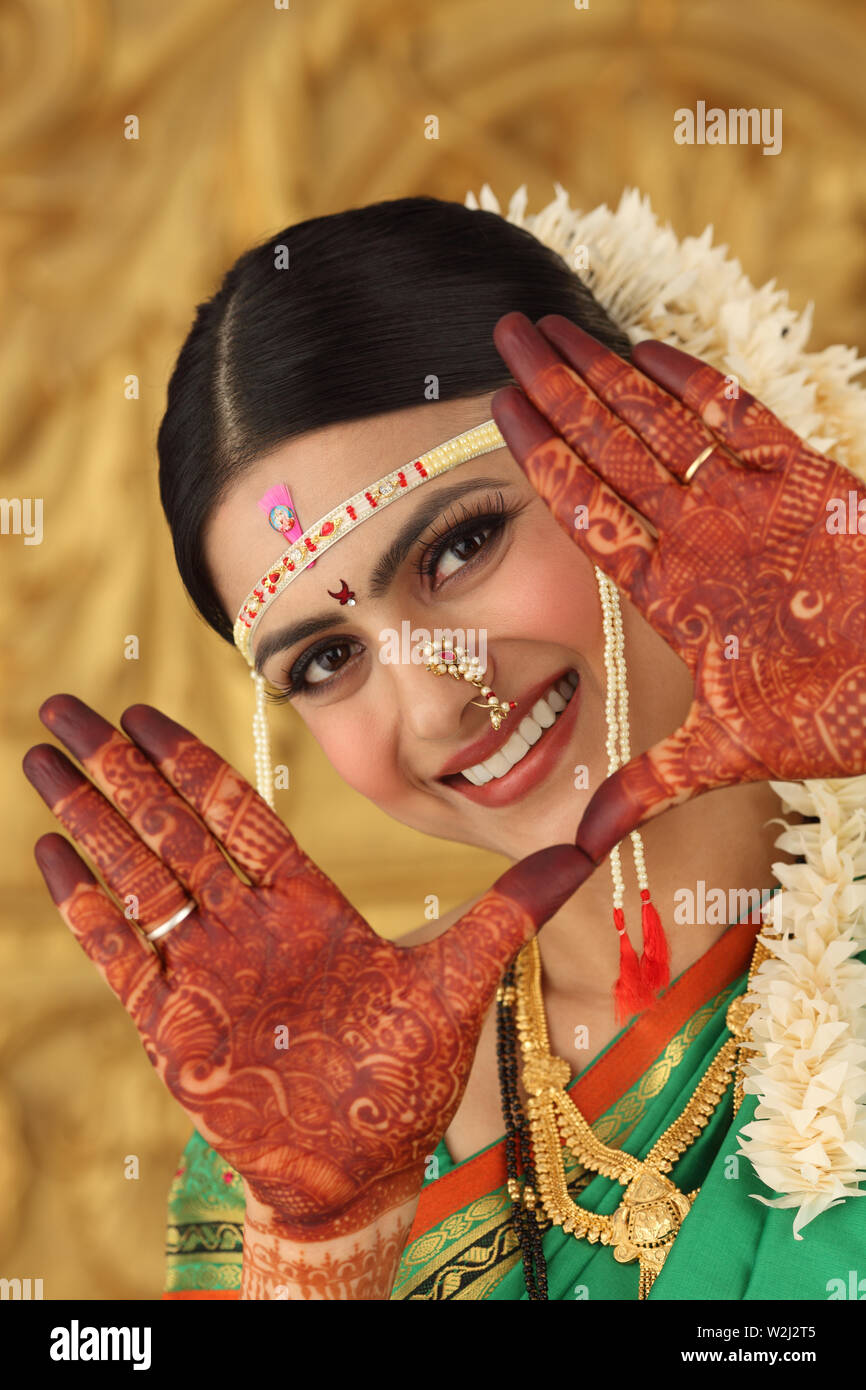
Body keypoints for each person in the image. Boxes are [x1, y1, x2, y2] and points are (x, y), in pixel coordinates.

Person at [23, 188, 866, 1301]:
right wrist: (330, 1250)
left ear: (642, 453)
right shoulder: (308, 1112)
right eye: (326, 660)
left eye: (461, 546)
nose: (433, 703)